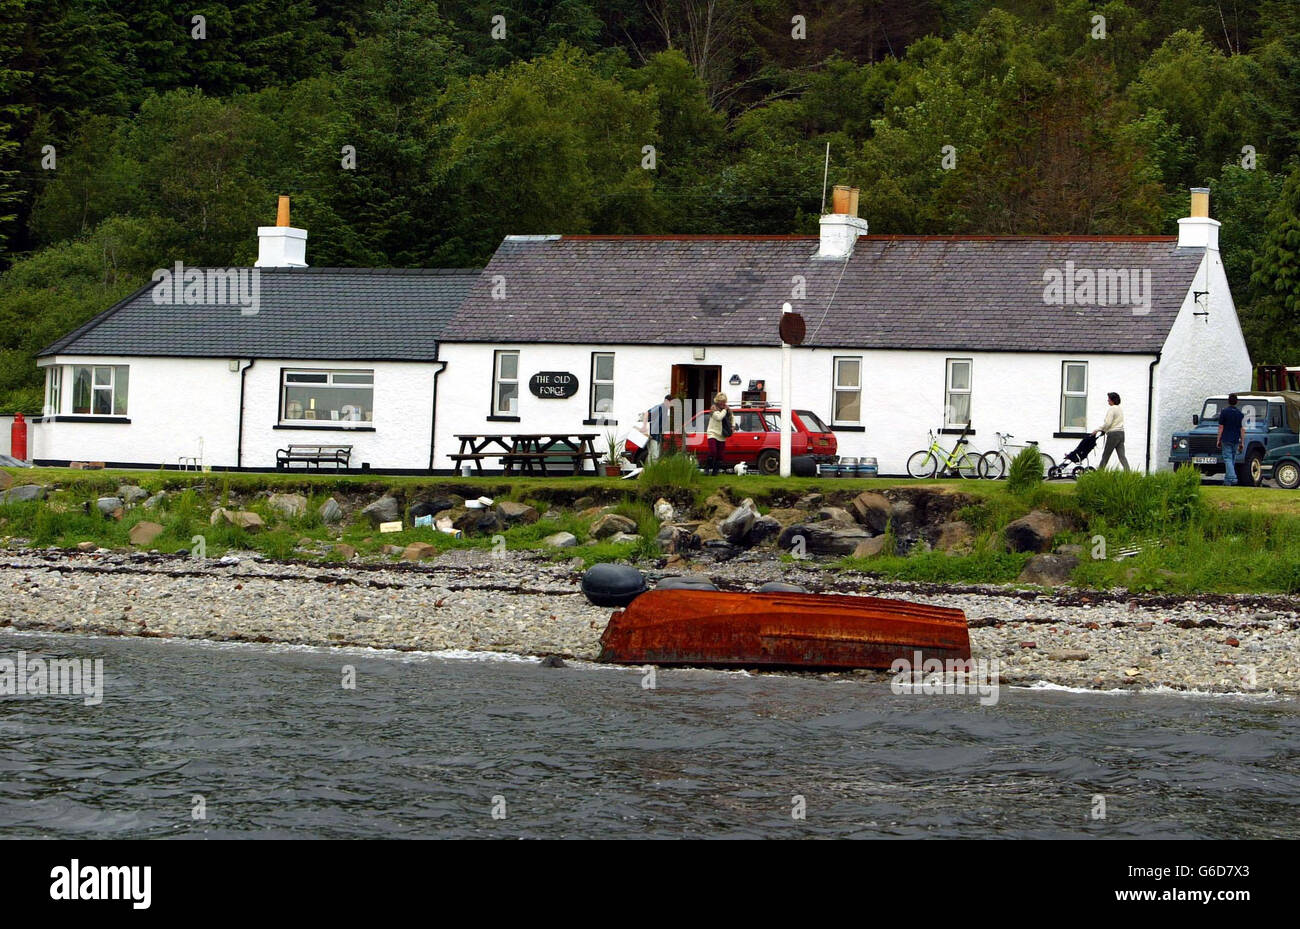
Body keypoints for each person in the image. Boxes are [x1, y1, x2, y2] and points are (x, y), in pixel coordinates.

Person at [1092, 392, 1129, 471]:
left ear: (1113, 400)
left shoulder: (1112, 409)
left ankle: (1099, 473)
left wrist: (1098, 429)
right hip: (1121, 434)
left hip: (1113, 434)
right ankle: (1128, 473)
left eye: (1109, 399)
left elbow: (1108, 423)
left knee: (1106, 455)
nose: (1107, 400)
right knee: (1122, 456)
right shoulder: (1120, 409)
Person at [1217, 393, 1245, 486]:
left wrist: (1218, 439)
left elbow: (1221, 427)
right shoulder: (1240, 414)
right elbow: (1242, 429)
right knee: (1232, 459)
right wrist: (1242, 442)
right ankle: (1227, 481)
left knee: (1227, 458)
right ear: (1236, 402)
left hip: (1226, 438)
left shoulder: (1224, 412)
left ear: (1228, 401)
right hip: (1236, 439)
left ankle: (1233, 478)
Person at [705, 391, 733, 476]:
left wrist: (733, 426)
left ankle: (715, 472)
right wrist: (725, 410)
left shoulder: (727, 410)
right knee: (713, 452)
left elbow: (732, 417)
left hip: (721, 435)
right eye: (721, 401)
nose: (723, 403)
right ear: (717, 401)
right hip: (712, 433)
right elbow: (719, 417)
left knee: (720, 455)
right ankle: (707, 468)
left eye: (724, 401)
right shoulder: (713, 408)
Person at [640, 394, 672, 464]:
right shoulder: (660, 407)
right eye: (671, 403)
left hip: (656, 435)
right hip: (653, 435)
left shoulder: (665, 409)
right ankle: (651, 471)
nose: (671, 405)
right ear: (666, 401)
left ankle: (649, 471)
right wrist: (644, 426)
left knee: (652, 455)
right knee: (654, 456)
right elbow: (647, 413)